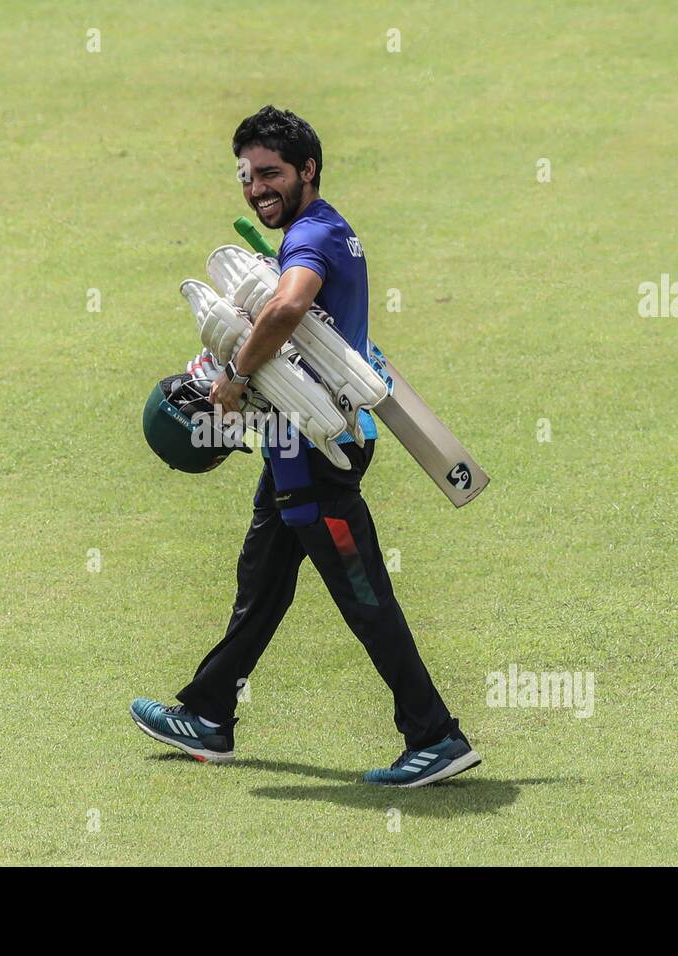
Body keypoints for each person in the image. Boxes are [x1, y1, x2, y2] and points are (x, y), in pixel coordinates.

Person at [131, 106, 480, 787]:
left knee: (364, 596)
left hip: (319, 456)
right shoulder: (326, 230)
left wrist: (233, 376)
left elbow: (288, 308)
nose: (257, 187)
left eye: (272, 174)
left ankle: (435, 735)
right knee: (260, 583)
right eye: (247, 176)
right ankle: (207, 713)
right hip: (296, 447)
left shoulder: (313, 237)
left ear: (308, 171)